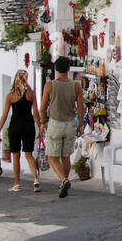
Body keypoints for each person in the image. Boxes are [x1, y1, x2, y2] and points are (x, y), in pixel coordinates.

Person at [39, 57, 84, 199]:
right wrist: (81, 125)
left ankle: (63, 180)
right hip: (70, 123)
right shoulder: (76, 86)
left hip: (55, 123)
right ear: (69, 68)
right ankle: (63, 183)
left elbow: (43, 107)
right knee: (65, 156)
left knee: (52, 156)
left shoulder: (49, 86)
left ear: (55, 69)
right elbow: (81, 108)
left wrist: (42, 122)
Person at [0, 70, 41, 193]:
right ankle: (35, 180)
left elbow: (5, 115)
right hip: (28, 126)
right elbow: (36, 113)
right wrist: (41, 127)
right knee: (29, 154)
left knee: (15, 155)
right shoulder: (31, 94)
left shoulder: (10, 96)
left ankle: (17, 184)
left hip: (15, 126)